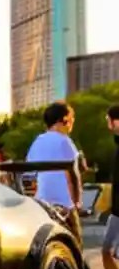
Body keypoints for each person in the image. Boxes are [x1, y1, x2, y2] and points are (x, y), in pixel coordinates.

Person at [25, 101, 83, 241]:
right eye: (71, 118)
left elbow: (29, 175)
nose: (72, 122)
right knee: (75, 245)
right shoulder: (65, 141)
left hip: (42, 204)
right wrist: (77, 202)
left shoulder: (37, 142)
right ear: (64, 120)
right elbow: (72, 175)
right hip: (64, 205)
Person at [98, 106, 119, 269]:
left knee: (108, 252)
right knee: (107, 252)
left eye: (109, 120)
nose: (108, 124)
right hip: (117, 210)